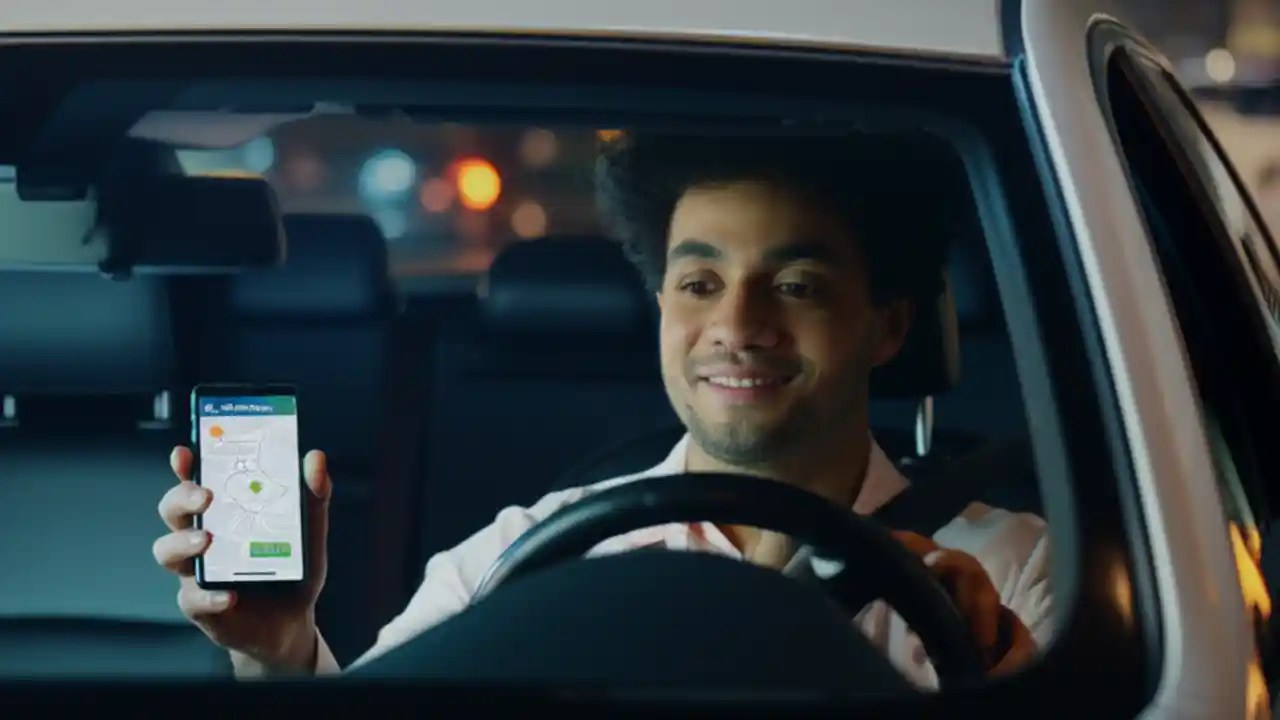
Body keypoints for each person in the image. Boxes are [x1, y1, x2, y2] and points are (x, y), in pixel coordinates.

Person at [153, 132, 1051, 688]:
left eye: (796, 283)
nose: (737, 326)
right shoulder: (519, 561)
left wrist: (1019, 689)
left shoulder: (1014, 576)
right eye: (699, 282)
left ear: (886, 325)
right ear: (663, 308)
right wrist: (279, 651)